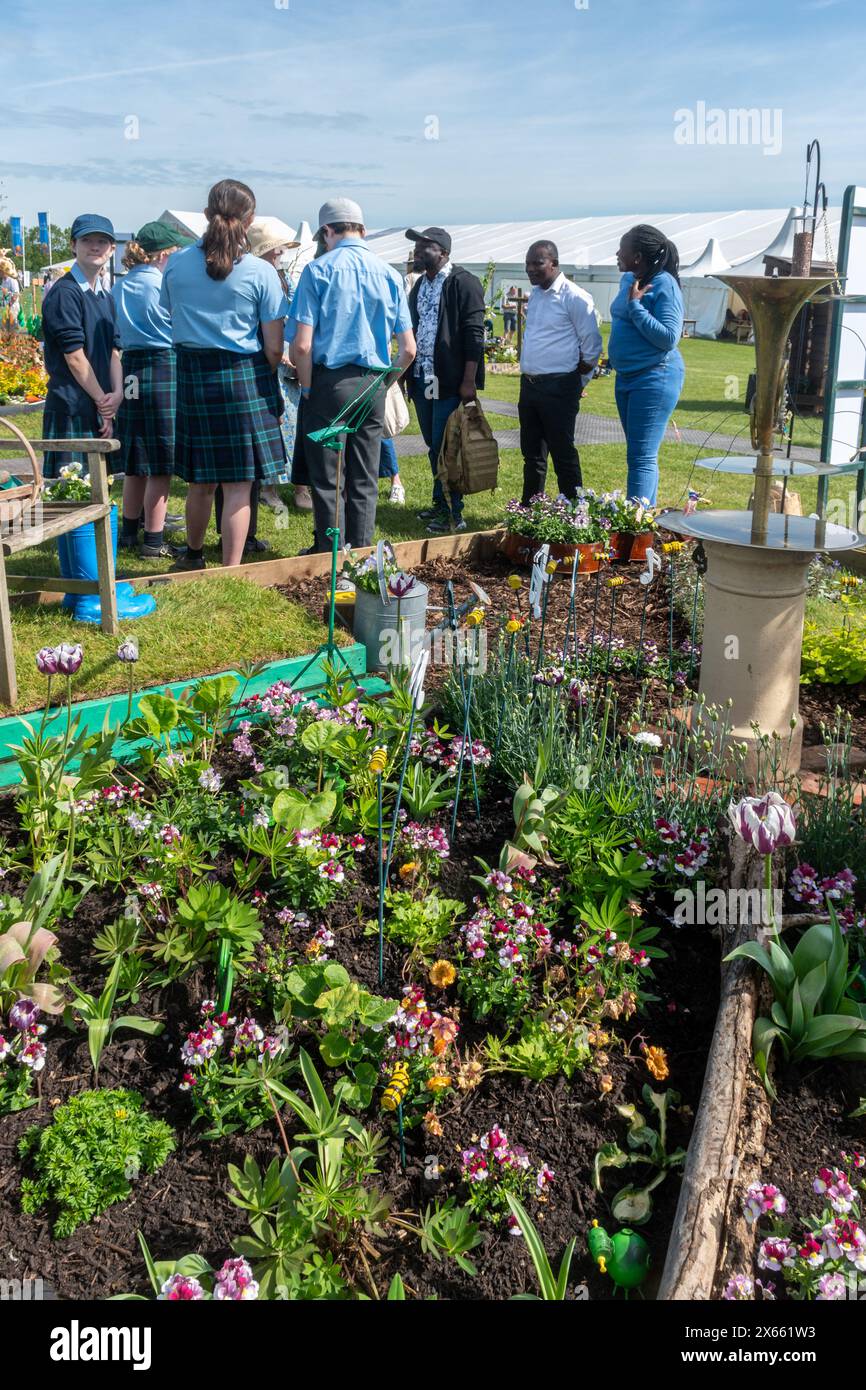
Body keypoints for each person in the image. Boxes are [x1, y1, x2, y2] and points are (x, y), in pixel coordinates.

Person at [159, 179, 288, 570]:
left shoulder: (177, 263)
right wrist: (265, 376)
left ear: (205, 215)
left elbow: (170, 314)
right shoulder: (261, 273)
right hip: (244, 376)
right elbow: (274, 346)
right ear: (249, 221)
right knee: (238, 484)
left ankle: (193, 557)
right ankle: (231, 570)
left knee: (200, 480)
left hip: (194, 375)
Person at [287, 198, 415, 553]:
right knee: (365, 474)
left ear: (327, 231)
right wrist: (386, 383)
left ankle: (329, 551)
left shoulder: (318, 271)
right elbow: (409, 349)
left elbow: (301, 345)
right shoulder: (389, 274)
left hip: (329, 384)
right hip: (373, 383)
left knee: (328, 477)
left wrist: (310, 388)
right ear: (362, 229)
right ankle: (361, 552)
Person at [112, 219, 194, 557]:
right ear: (164, 254)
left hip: (131, 366)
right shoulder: (162, 284)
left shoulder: (120, 285)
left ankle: (129, 531)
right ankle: (154, 540)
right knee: (160, 462)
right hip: (163, 366)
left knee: (135, 457)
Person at [405, 225, 485, 535]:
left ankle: (454, 513)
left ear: (443, 252)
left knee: (447, 446)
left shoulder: (464, 283)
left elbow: (474, 335)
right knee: (432, 444)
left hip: (450, 380)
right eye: (417, 245)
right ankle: (440, 502)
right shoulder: (420, 285)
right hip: (423, 378)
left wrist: (469, 380)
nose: (418, 251)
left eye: (425, 245)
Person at [40, 213, 124, 479]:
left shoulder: (105, 296)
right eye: (87, 240)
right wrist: (104, 402)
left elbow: (114, 351)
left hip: (99, 406)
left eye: (102, 241)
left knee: (99, 489)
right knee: (69, 497)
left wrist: (118, 394)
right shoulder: (65, 293)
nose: (95, 246)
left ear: (112, 249)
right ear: (73, 245)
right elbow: (74, 357)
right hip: (72, 407)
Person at [518, 240, 602, 505]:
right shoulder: (537, 294)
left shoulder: (574, 296)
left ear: (554, 263)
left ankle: (574, 511)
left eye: (538, 263)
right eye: (528, 264)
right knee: (532, 454)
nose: (531, 269)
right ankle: (530, 508)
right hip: (530, 386)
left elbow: (592, 346)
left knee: (562, 452)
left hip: (559, 386)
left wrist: (576, 382)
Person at [608, 224, 685, 506]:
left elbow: (668, 337)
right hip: (627, 377)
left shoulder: (665, 284)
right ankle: (645, 524)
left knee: (641, 457)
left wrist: (637, 308)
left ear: (637, 255)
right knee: (640, 454)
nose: (617, 253)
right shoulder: (628, 279)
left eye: (622, 249)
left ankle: (634, 532)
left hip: (655, 376)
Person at [0, 258, 20, 327]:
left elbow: (16, 295)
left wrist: (9, 305)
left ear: (4, 271)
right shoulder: (3, 281)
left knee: (12, 327)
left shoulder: (12, 281)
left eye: (0, 271)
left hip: (13, 307)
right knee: (5, 327)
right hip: (6, 307)